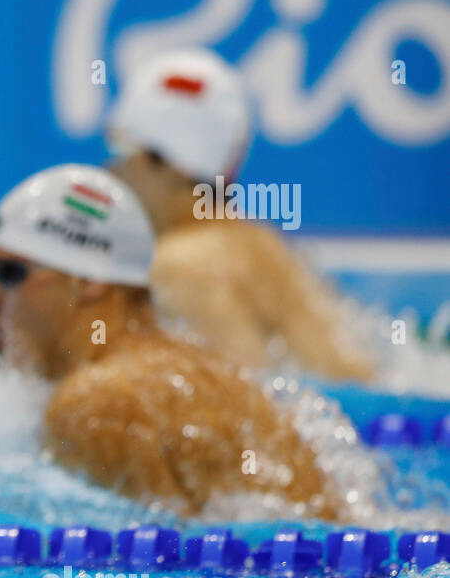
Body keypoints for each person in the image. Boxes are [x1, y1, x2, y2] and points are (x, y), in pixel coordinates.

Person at [0, 163, 341, 519]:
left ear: (89, 279)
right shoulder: (198, 366)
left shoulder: (94, 402)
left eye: (10, 273)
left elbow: (165, 560)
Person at [105, 47, 373, 380]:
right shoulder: (265, 246)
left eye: (120, 148)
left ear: (170, 163)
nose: (110, 170)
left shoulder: (180, 265)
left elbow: (252, 404)